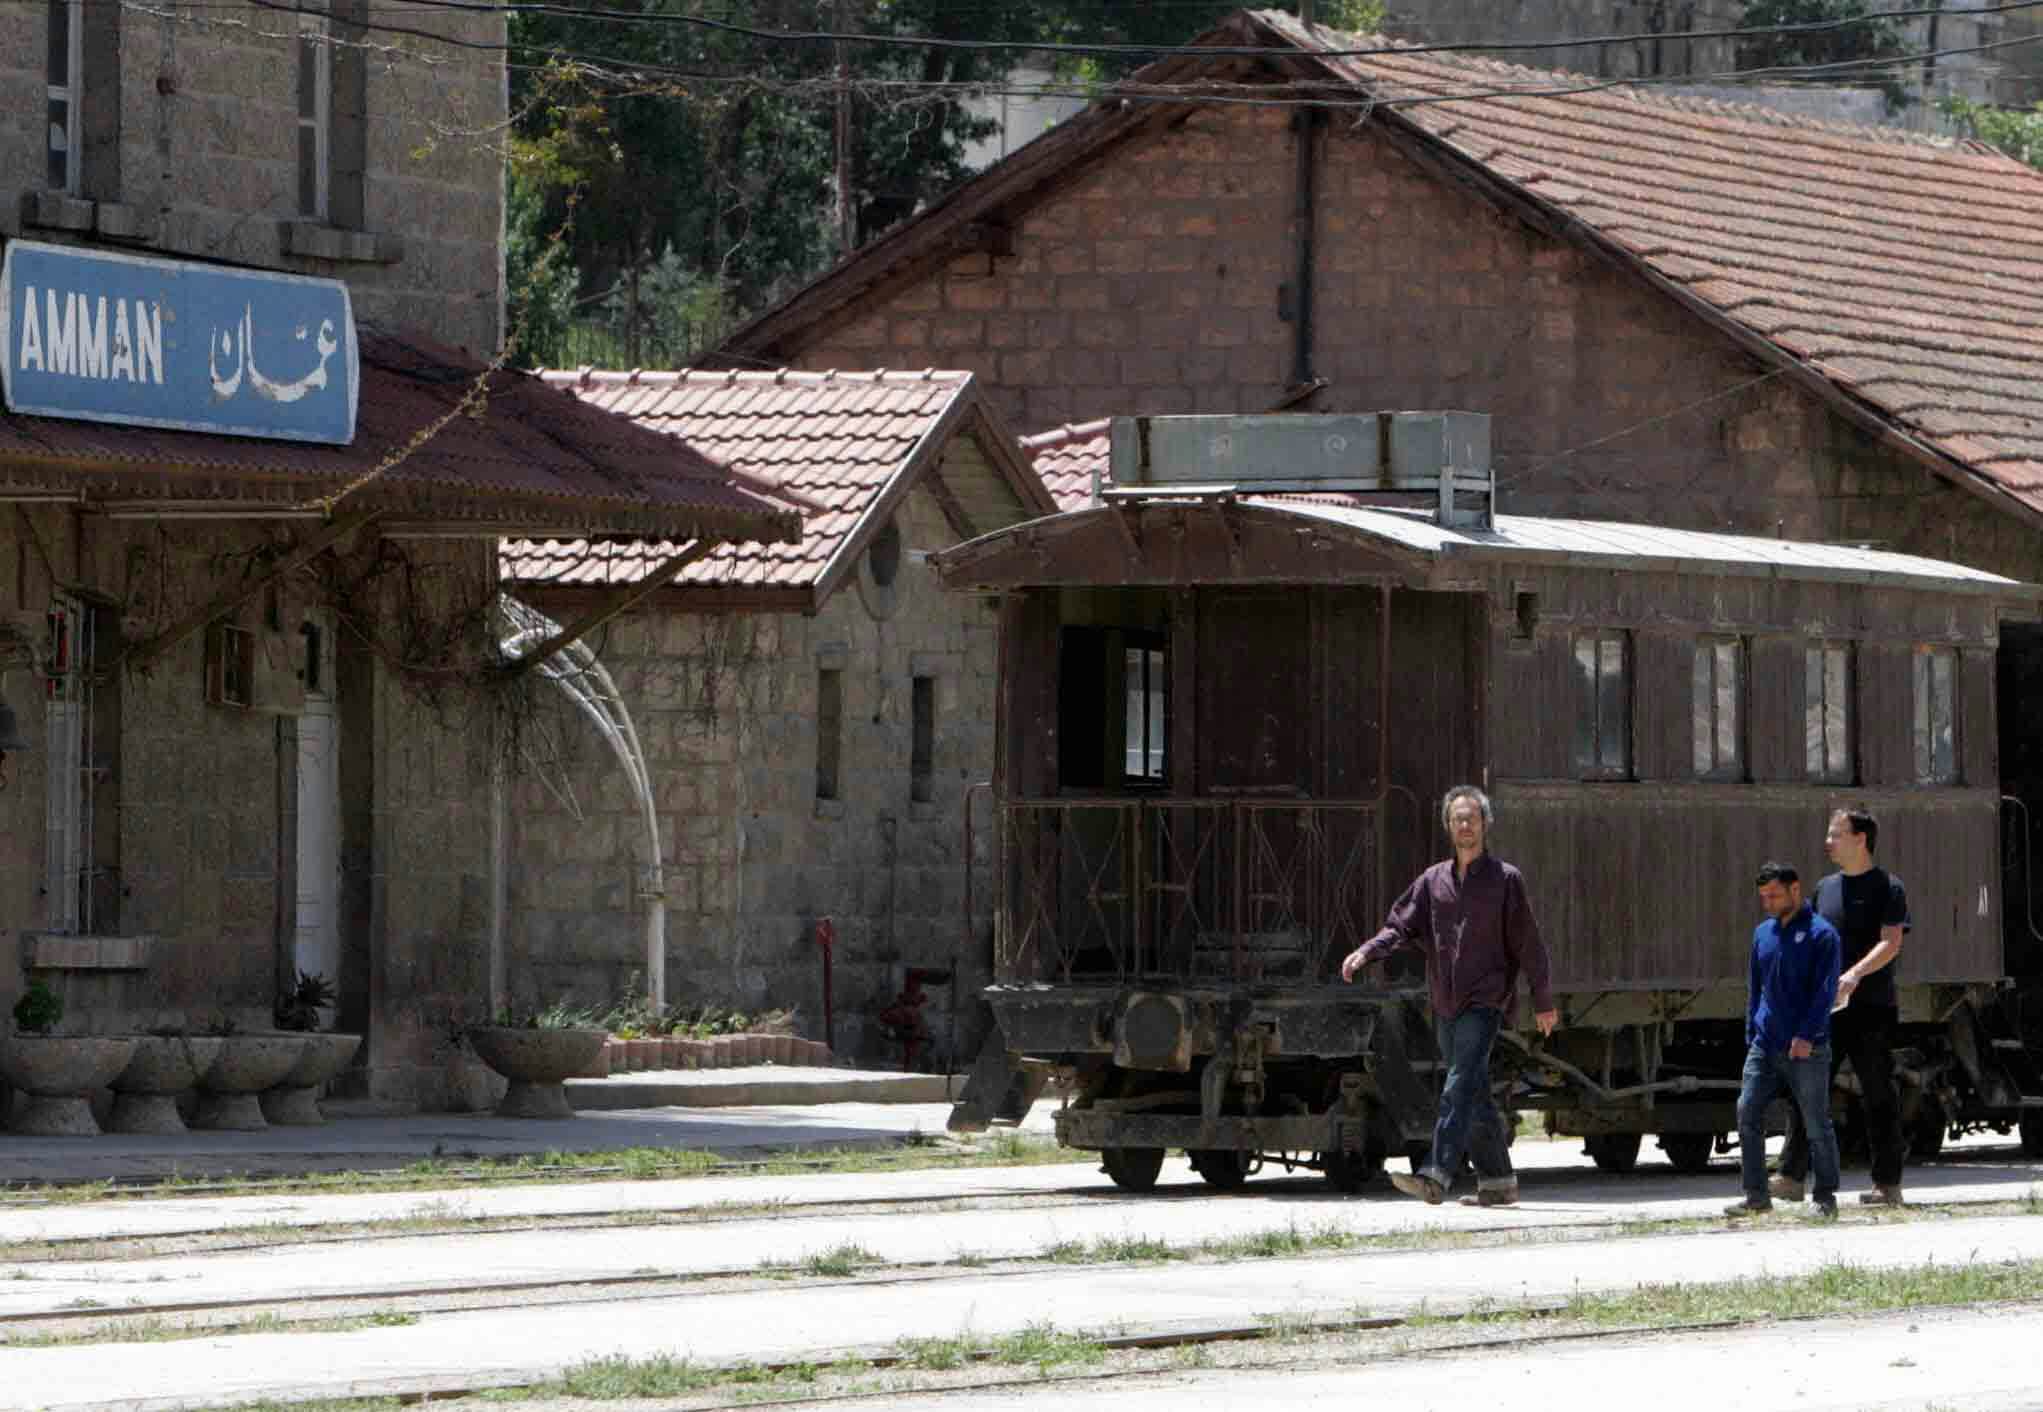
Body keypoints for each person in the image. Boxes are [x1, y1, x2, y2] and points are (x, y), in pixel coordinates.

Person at [1340, 785, 1556, 1208]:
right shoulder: (1433, 881)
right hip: (1445, 1001)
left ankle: (1436, 1174)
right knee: (1473, 1090)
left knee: (1457, 1085)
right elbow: (1399, 926)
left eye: (1471, 819)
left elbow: (1529, 944)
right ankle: (1498, 1182)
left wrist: (1543, 999)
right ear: (1448, 827)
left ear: (1485, 825)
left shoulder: (1505, 880)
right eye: (1457, 819)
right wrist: (1366, 951)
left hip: (1486, 1000)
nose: (1464, 826)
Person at [1772, 807, 1913, 1207]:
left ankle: (1887, 1185)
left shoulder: (1889, 887)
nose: (1828, 842)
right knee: (1806, 1088)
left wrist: (1853, 975)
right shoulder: (1824, 888)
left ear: (1860, 839)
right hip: (1826, 1010)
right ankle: (1790, 1177)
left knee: (1878, 1094)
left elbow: (1891, 943)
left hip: (1872, 1008)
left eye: (1836, 834)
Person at [1727, 861, 1842, 1218]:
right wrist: (1751, 1033)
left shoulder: (1822, 935)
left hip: (1806, 1048)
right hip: (1765, 1045)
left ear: (1796, 890)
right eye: (1763, 896)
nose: (1768, 902)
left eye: (1774, 894)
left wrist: (1806, 1035)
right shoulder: (1762, 934)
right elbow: (1756, 988)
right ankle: (1756, 1196)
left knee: (1815, 1122)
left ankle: (1825, 1197)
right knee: (1747, 1113)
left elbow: (1825, 992)